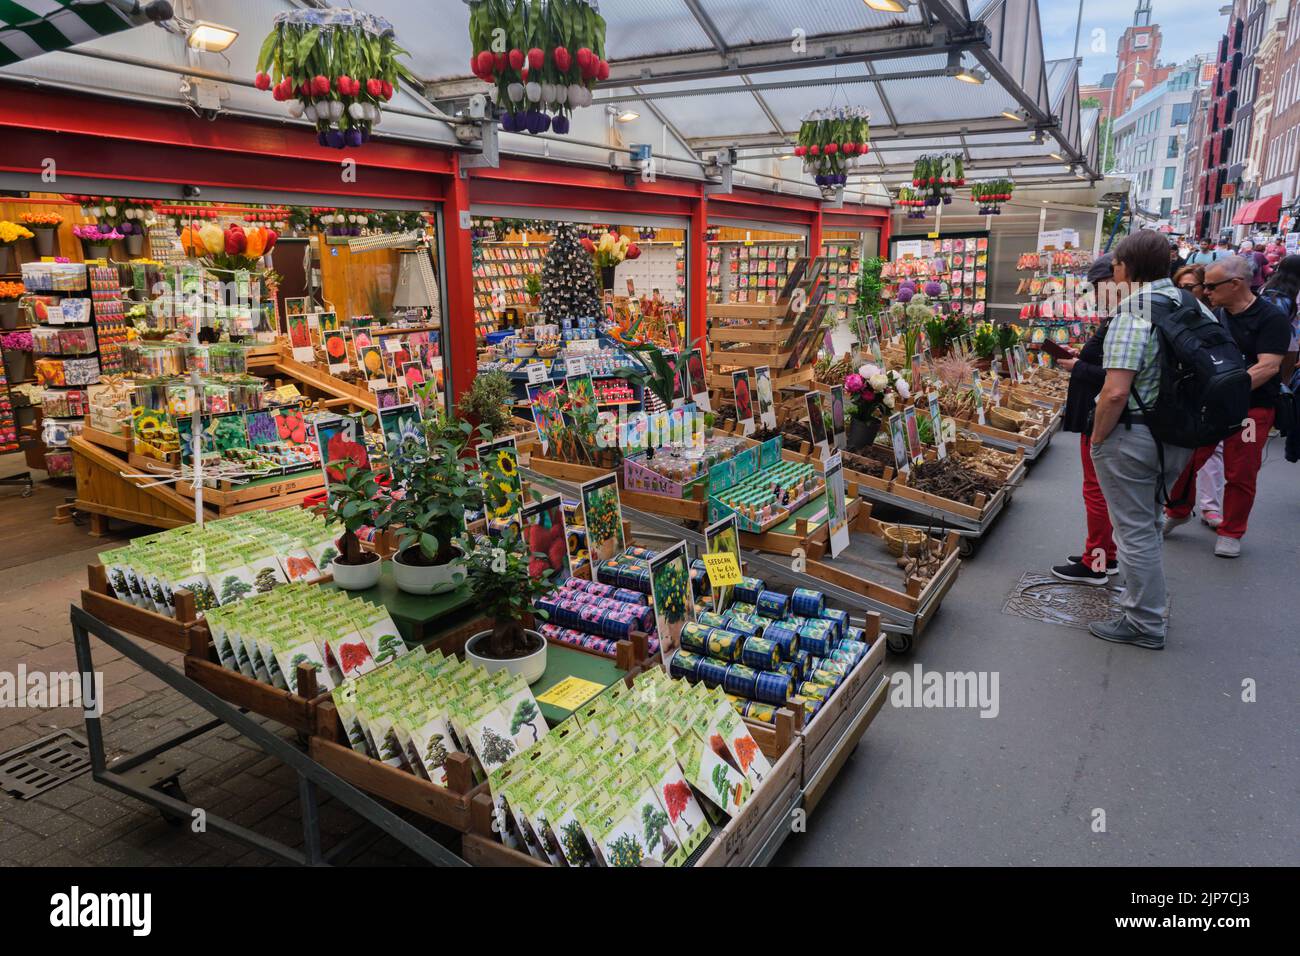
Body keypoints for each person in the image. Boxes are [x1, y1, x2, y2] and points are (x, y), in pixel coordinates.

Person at [1087, 230, 1204, 649]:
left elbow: (1116, 390)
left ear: (1126, 267)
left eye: (1116, 264)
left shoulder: (1134, 311)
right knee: (1149, 521)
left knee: (1133, 530)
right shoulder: (1186, 302)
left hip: (1136, 434)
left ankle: (1144, 622)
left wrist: (1098, 438)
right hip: (1179, 434)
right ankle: (1143, 601)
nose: (1114, 271)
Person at [1163, 255, 1291, 557]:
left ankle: (1232, 530)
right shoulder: (1214, 313)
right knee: (1186, 460)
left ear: (1235, 284)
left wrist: (1223, 391)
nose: (1206, 291)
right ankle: (1178, 510)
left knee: (1241, 471)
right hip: (1209, 405)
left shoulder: (1270, 318)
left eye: (1211, 285)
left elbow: (1269, 366)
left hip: (1252, 408)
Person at [1052, 255, 1119, 585]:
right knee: (1101, 489)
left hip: (1101, 417)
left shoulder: (1125, 317)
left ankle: (1096, 562)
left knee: (1096, 490)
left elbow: (1115, 378)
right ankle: (1105, 553)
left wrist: (1077, 367)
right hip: (1098, 412)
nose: (1095, 292)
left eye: (1098, 285)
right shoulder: (1121, 316)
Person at [1172, 265, 1226, 527]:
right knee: (1184, 452)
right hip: (1182, 393)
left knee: (1212, 451)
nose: (1184, 292)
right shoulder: (1172, 313)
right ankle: (1178, 507)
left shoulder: (1214, 316)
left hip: (1211, 391)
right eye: (1179, 287)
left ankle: (1210, 507)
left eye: (1190, 287)